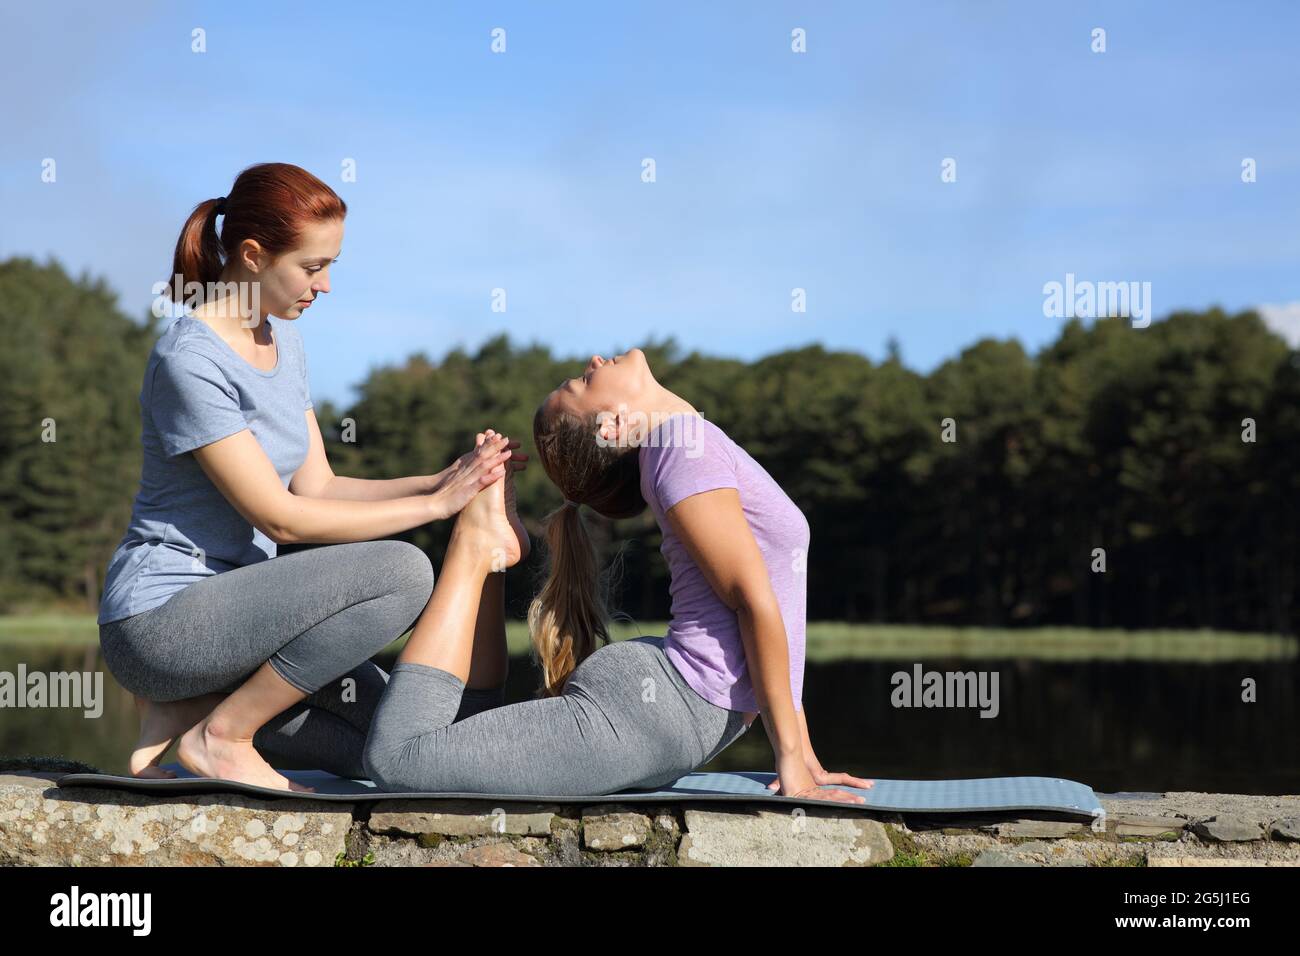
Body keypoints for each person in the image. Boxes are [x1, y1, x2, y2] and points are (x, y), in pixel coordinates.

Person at [96, 162, 523, 791]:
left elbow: (317, 486)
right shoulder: (189, 359)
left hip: (243, 633)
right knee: (401, 572)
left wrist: (441, 482)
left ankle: (195, 715)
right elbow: (280, 517)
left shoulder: (284, 341)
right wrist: (435, 510)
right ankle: (223, 735)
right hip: (164, 622)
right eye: (312, 266)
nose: (323, 287)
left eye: (331, 267)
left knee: (399, 743)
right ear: (251, 255)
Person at [361, 348, 872, 803]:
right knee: (399, 758)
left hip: (665, 706)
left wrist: (801, 752)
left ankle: (322, 690)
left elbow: (771, 601)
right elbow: (750, 597)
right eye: (582, 384)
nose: (594, 363)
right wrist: (789, 752)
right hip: (656, 711)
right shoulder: (681, 444)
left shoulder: (689, 443)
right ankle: (475, 545)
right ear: (611, 426)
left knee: (454, 744)